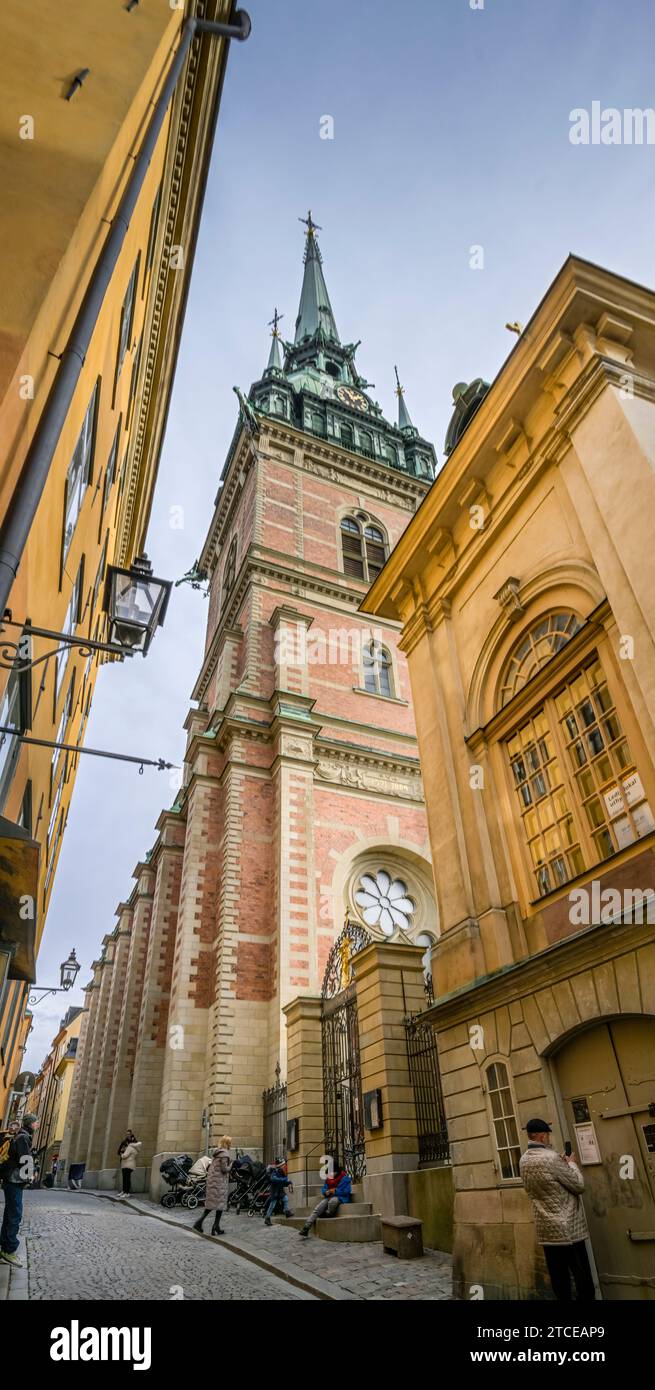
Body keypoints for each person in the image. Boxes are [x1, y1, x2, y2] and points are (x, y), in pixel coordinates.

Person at [519, 1117, 595, 1302]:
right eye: (547, 1136)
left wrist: (561, 1166)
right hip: (568, 1229)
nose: (549, 1139)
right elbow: (578, 1185)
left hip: (547, 1230)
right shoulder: (552, 1158)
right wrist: (570, 1164)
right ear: (542, 1136)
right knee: (582, 1276)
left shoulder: (523, 1160)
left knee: (559, 1280)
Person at [0, 1112, 39, 1267]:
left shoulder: (20, 1135)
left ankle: (4, 1248)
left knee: (11, 1212)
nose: (37, 1125)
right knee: (15, 1213)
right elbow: (25, 1159)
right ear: (30, 1123)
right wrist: (31, 1174)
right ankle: (8, 1251)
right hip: (14, 1179)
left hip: (11, 1179)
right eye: (35, 1122)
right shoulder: (23, 1137)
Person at [299, 1157, 351, 1238]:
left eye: (332, 1172)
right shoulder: (329, 1179)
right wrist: (325, 1192)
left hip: (340, 1197)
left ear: (337, 1171)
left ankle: (328, 1214)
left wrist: (335, 1191)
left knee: (332, 1202)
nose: (331, 1174)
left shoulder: (345, 1178)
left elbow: (347, 1191)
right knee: (318, 1208)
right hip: (329, 1197)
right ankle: (306, 1227)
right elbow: (324, 1188)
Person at [193, 1136, 232, 1236]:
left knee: (215, 1205)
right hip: (219, 1183)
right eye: (230, 1142)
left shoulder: (217, 1153)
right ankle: (201, 1223)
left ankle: (215, 1226)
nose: (231, 1144)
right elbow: (224, 1169)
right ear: (227, 1143)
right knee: (218, 1205)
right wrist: (231, 1165)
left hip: (213, 1182)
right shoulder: (224, 1154)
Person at [263, 1157, 294, 1226]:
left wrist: (289, 1183)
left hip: (279, 1189)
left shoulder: (280, 1171)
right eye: (283, 1165)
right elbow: (274, 1179)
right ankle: (267, 1218)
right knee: (272, 1204)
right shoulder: (274, 1171)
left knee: (285, 1199)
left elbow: (284, 1180)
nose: (284, 1166)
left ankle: (286, 1212)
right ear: (280, 1165)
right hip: (275, 1190)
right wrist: (285, 1180)